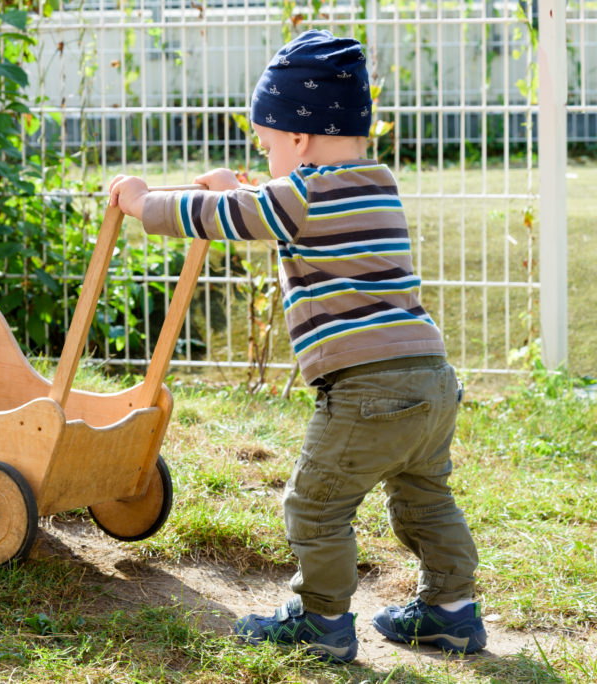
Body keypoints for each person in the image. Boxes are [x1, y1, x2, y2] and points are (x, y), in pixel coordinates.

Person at [108, 29, 486, 663]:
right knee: (425, 497)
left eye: (270, 143)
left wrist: (146, 203)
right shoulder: (378, 183)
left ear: (301, 137)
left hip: (365, 390)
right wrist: (243, 184)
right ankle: (452, 611)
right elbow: (272, 205)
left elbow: (235, 216)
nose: (270, 155)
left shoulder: (302, 192)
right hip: (431, 381)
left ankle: (322, 619)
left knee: (315, 505)